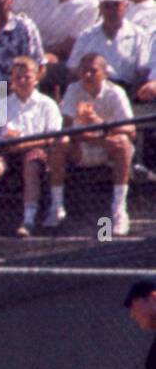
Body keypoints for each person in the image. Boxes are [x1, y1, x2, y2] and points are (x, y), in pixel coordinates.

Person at [0, 55, 64, 238]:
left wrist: (22, 143)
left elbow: (52, 138)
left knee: (31, 165)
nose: (21, 81)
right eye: (17, 77)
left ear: (36, 78)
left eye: (26, 77)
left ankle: (28, 220)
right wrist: (4, 140)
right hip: (6, 152)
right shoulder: (1, 105)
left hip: (36, 152)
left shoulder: (47, 105)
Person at [55, 53, 136, 234]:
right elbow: (66, 127)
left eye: (93, 71)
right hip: (82, 146)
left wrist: (99, 123)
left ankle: (118, 209)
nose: (88, 76)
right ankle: (56, 207)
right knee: (59, 143)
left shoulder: (116, 93)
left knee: (123, 143)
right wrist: (94, 136)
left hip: (108, 149)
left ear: (105, 73)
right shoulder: (73, 90)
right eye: (84, 71)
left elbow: (131, 131)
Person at [68, 0, 150, 86]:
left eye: (116, 5)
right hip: (91, 88)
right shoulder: (86, 36)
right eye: (107, 5)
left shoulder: (139, 36)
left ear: (126, 6)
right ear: (100, 8)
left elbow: (144, 71)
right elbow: (73, 67)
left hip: (127, 89)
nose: (111, 10)